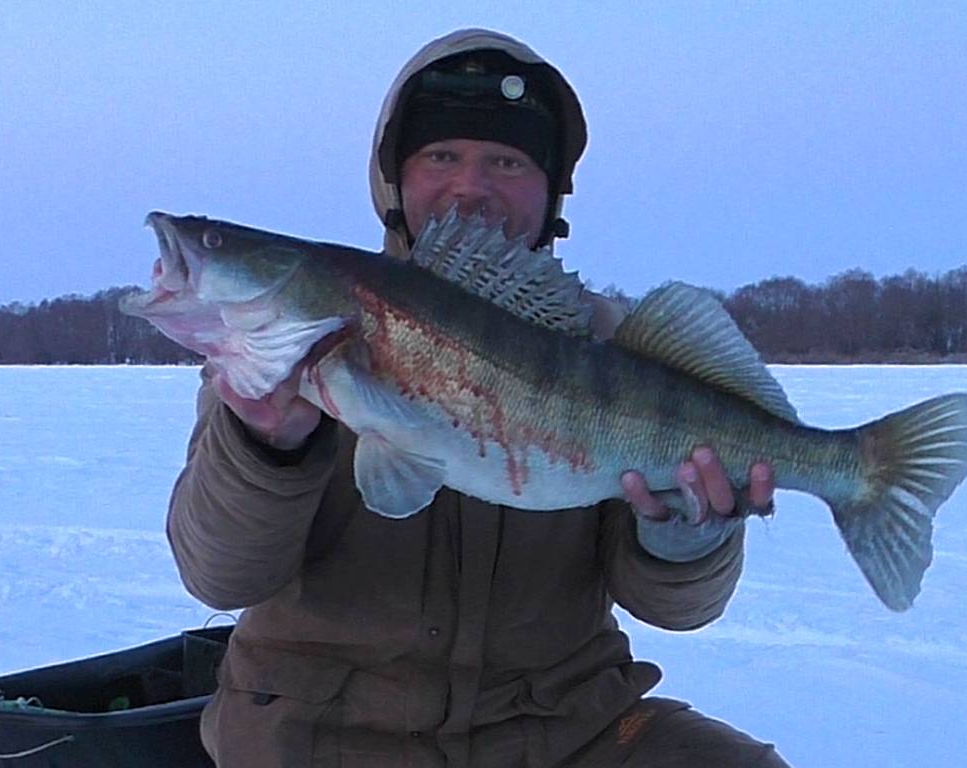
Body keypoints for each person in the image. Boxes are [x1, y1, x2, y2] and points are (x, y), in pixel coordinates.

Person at [168, 28, 791, 768]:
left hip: (563, 730)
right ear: (393, 181)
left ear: (551, 191)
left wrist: (688, 535)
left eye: (507, 161)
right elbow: (220, 577)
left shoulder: (614, 350)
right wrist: (267, 450)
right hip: (318, 736)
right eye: (441, 156)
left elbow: (674, 609)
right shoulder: (274, 358)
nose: (471, 185)